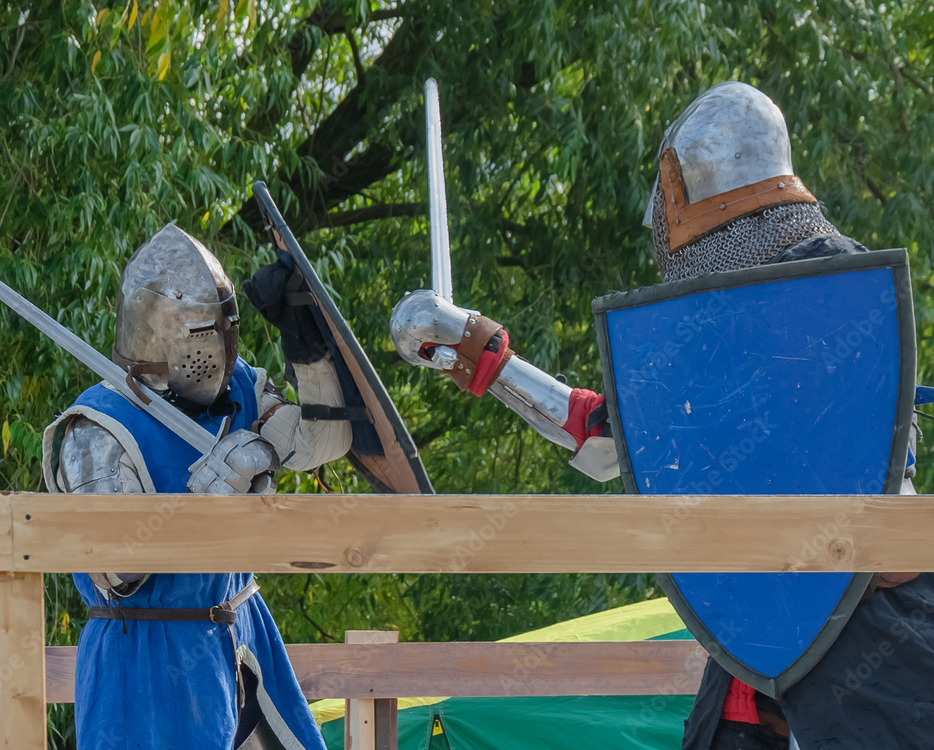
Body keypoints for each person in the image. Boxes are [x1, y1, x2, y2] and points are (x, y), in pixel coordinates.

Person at [390, 81, 934, 749]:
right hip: (761, 662)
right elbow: (616, 441)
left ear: (688, 196)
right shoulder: (759, 314)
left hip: (866, 644)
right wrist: (488, 362)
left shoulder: (832, 297)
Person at [42, 224, 352, 750]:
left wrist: (309, 352)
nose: (223, 345)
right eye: (205, 330)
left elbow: (328, 439)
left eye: (226, 327)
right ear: (162, 332)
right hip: (143, 654)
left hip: (241, 631)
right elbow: (116, 565)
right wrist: (203, 501)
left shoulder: (242, 391)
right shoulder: (98, 426)